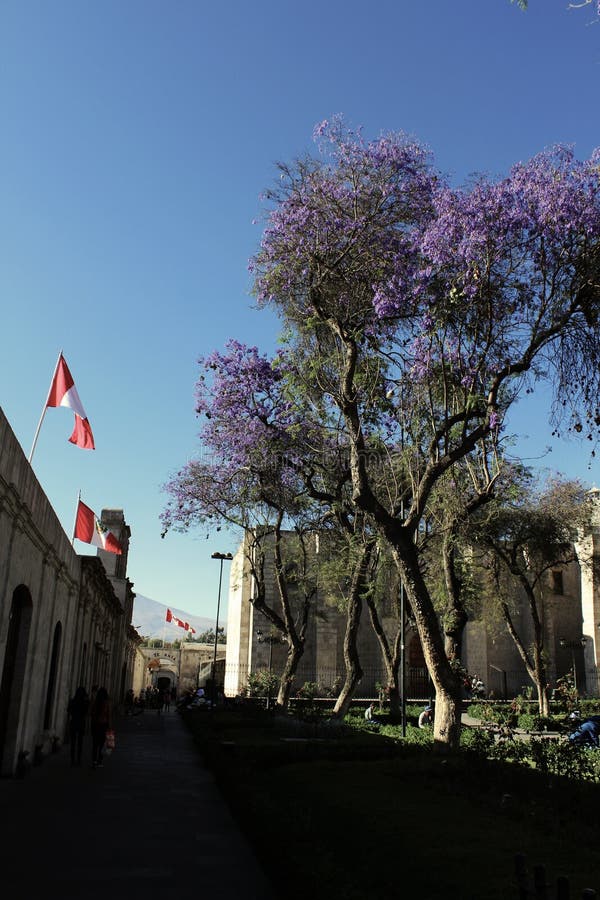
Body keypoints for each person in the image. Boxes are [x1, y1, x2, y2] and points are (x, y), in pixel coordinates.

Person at [67, 686, 89, 766]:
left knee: (73, 742)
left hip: (73, 723)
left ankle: (72, 760)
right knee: (80, 742)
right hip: (81, 724)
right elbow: (86, 712)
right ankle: (79, 760)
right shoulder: (84, 703)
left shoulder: (72, 701)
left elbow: (68, 710)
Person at [90, 686, 111, 768]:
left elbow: (91, 713)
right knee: (102, 745)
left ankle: (94, 761)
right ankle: (99, 761)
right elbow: (109, 716)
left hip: (95, 725)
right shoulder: (107, 703)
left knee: (95, 744)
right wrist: (109, 726)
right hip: (104, 726)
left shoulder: (95, 702)